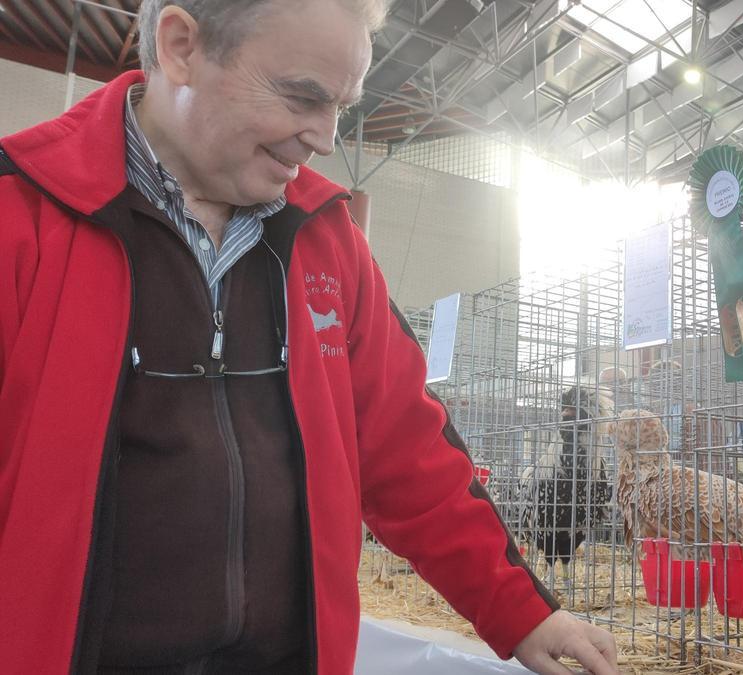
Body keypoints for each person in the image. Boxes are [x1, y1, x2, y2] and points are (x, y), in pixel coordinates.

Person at [0, 1, 618, 673]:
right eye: (302, 96)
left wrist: (522, 609)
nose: (324, 138)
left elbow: (410, 456)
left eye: (342, 108)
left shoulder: (327, 242)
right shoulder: (25, 218)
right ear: (182, 47)